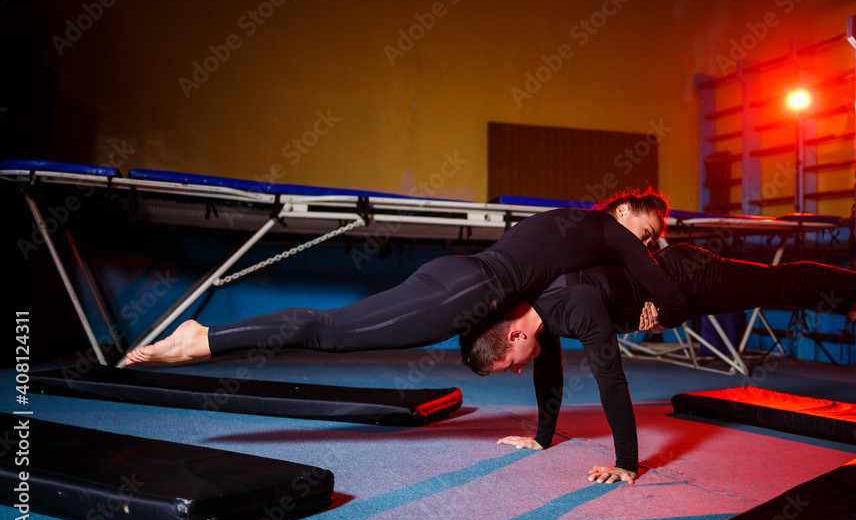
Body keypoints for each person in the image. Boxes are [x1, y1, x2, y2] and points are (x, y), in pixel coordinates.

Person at [460, 243, 856, 485]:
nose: (518, 370)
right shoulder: (540, 315)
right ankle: (842, 306)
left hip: (691, 277)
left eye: (509, 364)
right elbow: (548, 371)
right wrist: (540, 438)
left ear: (516, 335)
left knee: (774, 285)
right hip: (668, 296)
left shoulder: (574, 308)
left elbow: (611, 380)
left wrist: (626, 462)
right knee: (772, 292)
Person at [125, 189, 682, 366]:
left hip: (459, 275)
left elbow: (582, 290)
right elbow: (660, 282)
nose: (649, 243)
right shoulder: (608, 234)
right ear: (625, 211)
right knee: (327, 330)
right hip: (469, 289)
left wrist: (638, 312)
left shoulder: (580, 227)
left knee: (332, 329)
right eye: (649, 230)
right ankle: (204, 339)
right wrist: (655, 308)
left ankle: (206, 338)